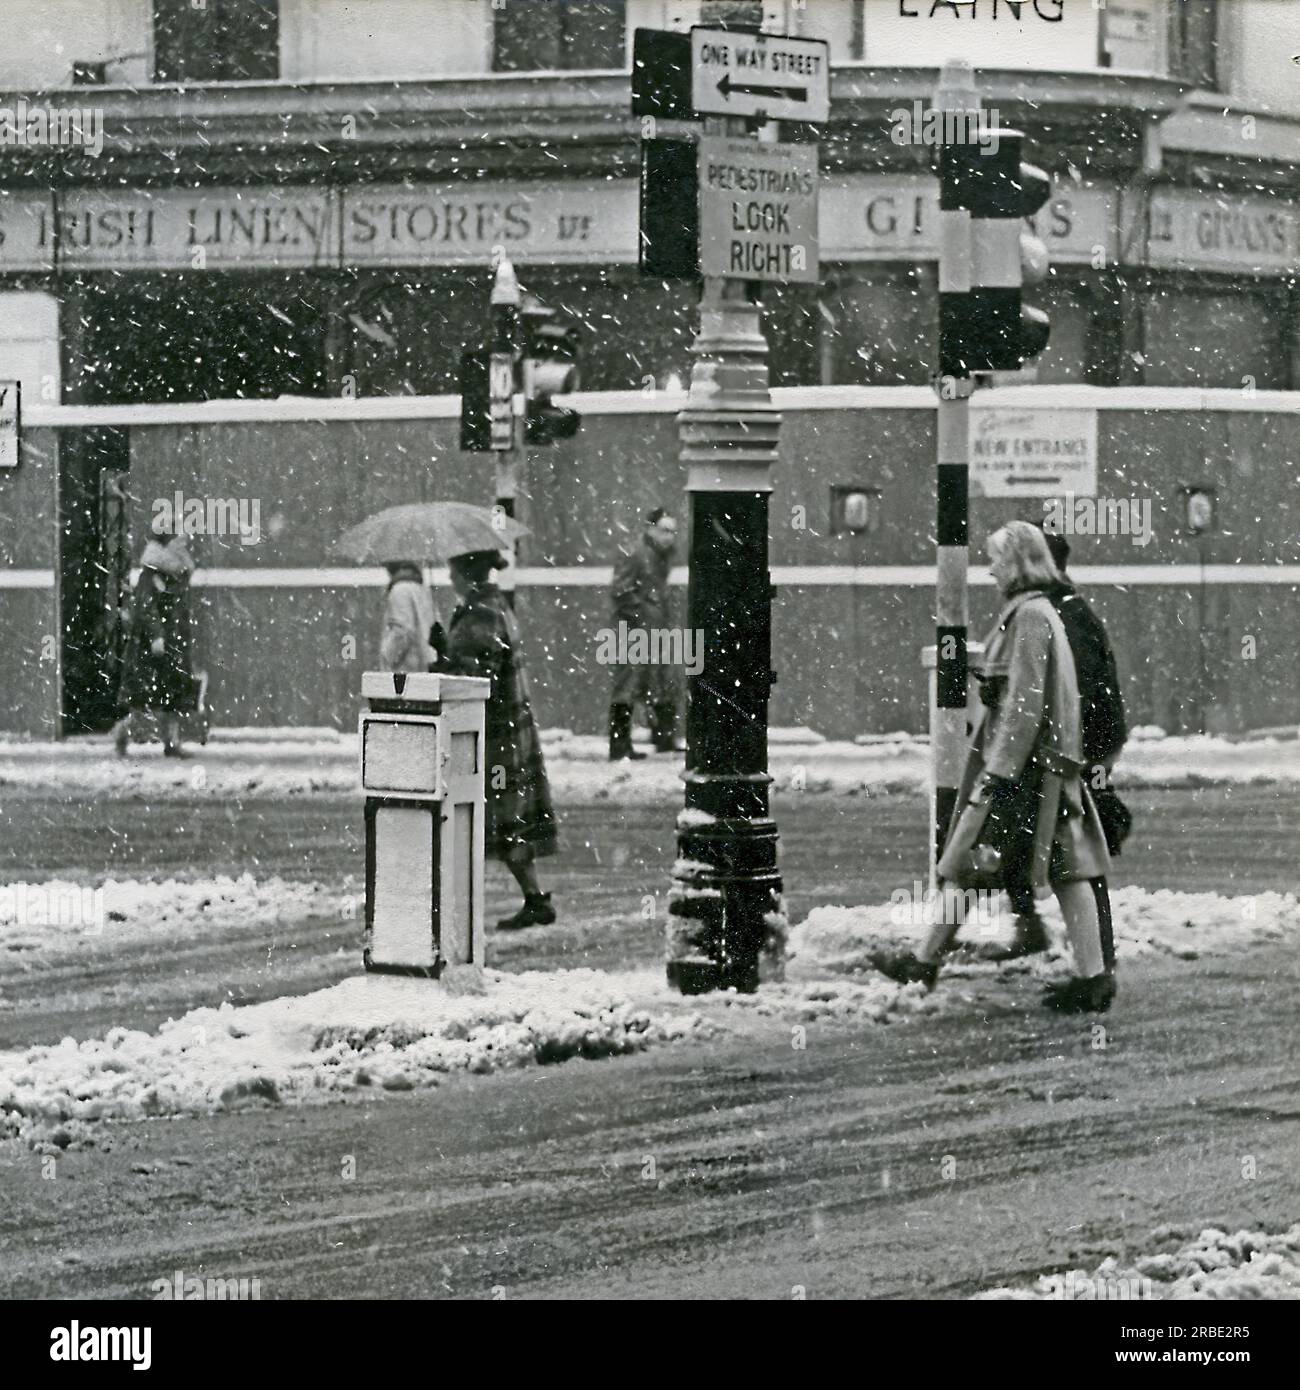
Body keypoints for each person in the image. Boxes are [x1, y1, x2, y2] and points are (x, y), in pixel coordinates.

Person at [878, 521, 1118, 1013]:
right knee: (1067, 869)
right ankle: (1093, 978)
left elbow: (1025, 706)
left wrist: (1000, 772)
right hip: (1046, 772)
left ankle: (923, 963)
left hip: (1023, 774)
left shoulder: (1029, 617)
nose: (990, 568)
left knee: (965, 860)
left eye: (997, 559)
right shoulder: (1041, 612)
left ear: (1020, 564)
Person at [434, 548, 558, 930]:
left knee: (494, 816)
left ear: (465, 572)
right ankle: (535, 899)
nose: (450, 576)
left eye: (453, 569)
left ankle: (458, 908)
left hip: (494, 733)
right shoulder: (493, 605)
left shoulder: (480, 612)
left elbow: (474, 677)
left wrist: (441, 654)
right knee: (508, 817)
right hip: (507, 729)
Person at [111, 521, 198, 758]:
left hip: (171, 640)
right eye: (178, 537)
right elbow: (146, 607)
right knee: (145, 697)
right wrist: (157, 635)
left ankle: (171, 742)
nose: (184, 540)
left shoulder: (175, 570)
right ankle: (123, 732)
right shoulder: (153, 572)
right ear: (167, 543)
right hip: (154, 644)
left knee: (171, 695)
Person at [608, 507, 682, 760]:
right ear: (650, 529)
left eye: (672, 531)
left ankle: (663, 738)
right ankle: (620, 747)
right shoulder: (636, 553)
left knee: (662, 681)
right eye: (664, 530)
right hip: (632, 632)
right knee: (628, 687)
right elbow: (621, 591)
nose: (669, 537)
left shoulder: (660, 556)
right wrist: (640, 618)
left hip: (653, 629)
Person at [378, 559, 437, 673]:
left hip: (406, 671)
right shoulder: (422, 589)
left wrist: (388, 656)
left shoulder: (400, 590)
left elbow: (403, 631)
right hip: (426, 666)